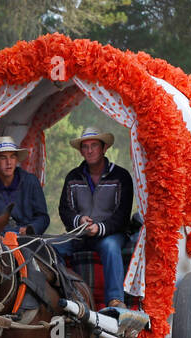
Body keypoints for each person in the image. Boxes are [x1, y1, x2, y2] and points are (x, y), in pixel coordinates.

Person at [52, 127, 133, 310]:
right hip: (80, 234)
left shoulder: (121, 176)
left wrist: (99, 228)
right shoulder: (73, 176)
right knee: (51, 247)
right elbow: (65, 210)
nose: (89, 151)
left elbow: (122, 215)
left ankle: (115, 299)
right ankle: (66, 294)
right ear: (81, 151)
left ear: (104, 149)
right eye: (85, 147)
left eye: (94, 146)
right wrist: (79, 221)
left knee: (110, 247)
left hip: (111, 234)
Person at [0, 136, 49, 237]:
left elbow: (43, 217)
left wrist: (30, 229)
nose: (9, 162)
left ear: (17, 160)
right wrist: (4, 235)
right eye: (3, 157)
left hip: (29, 240)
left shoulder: (31, 181)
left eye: (12, 156)